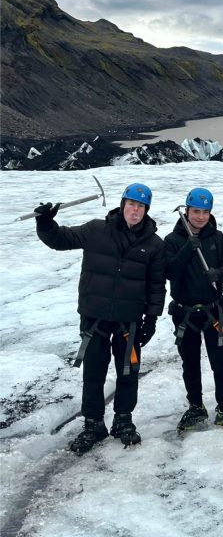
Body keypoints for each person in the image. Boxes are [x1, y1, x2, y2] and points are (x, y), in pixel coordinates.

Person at [34, 183, 165, 454]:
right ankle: (93, 425)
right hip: (95, 318)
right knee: (93, 373)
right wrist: (46, 224)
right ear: (122, 204)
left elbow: (156, 285)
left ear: (146, 210)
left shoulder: (154, 244)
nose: (135, 210)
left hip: (129, 321)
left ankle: (123, 421)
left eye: (141, 206)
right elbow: (61, 239)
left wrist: (151, 319)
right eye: (131, 204)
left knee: (128, 373)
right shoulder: (96, 230)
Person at [164, 188, 223, 432]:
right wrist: (187, 250)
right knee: (190, 361)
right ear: (187, 211)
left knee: (221, 360)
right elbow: (169, 271)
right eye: (196, 211)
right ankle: (195, 407)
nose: (200, 217)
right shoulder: (172, 241)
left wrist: (218, 274)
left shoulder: (217, 238)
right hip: (185, 312)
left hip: (214, 310)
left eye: (205, 212)